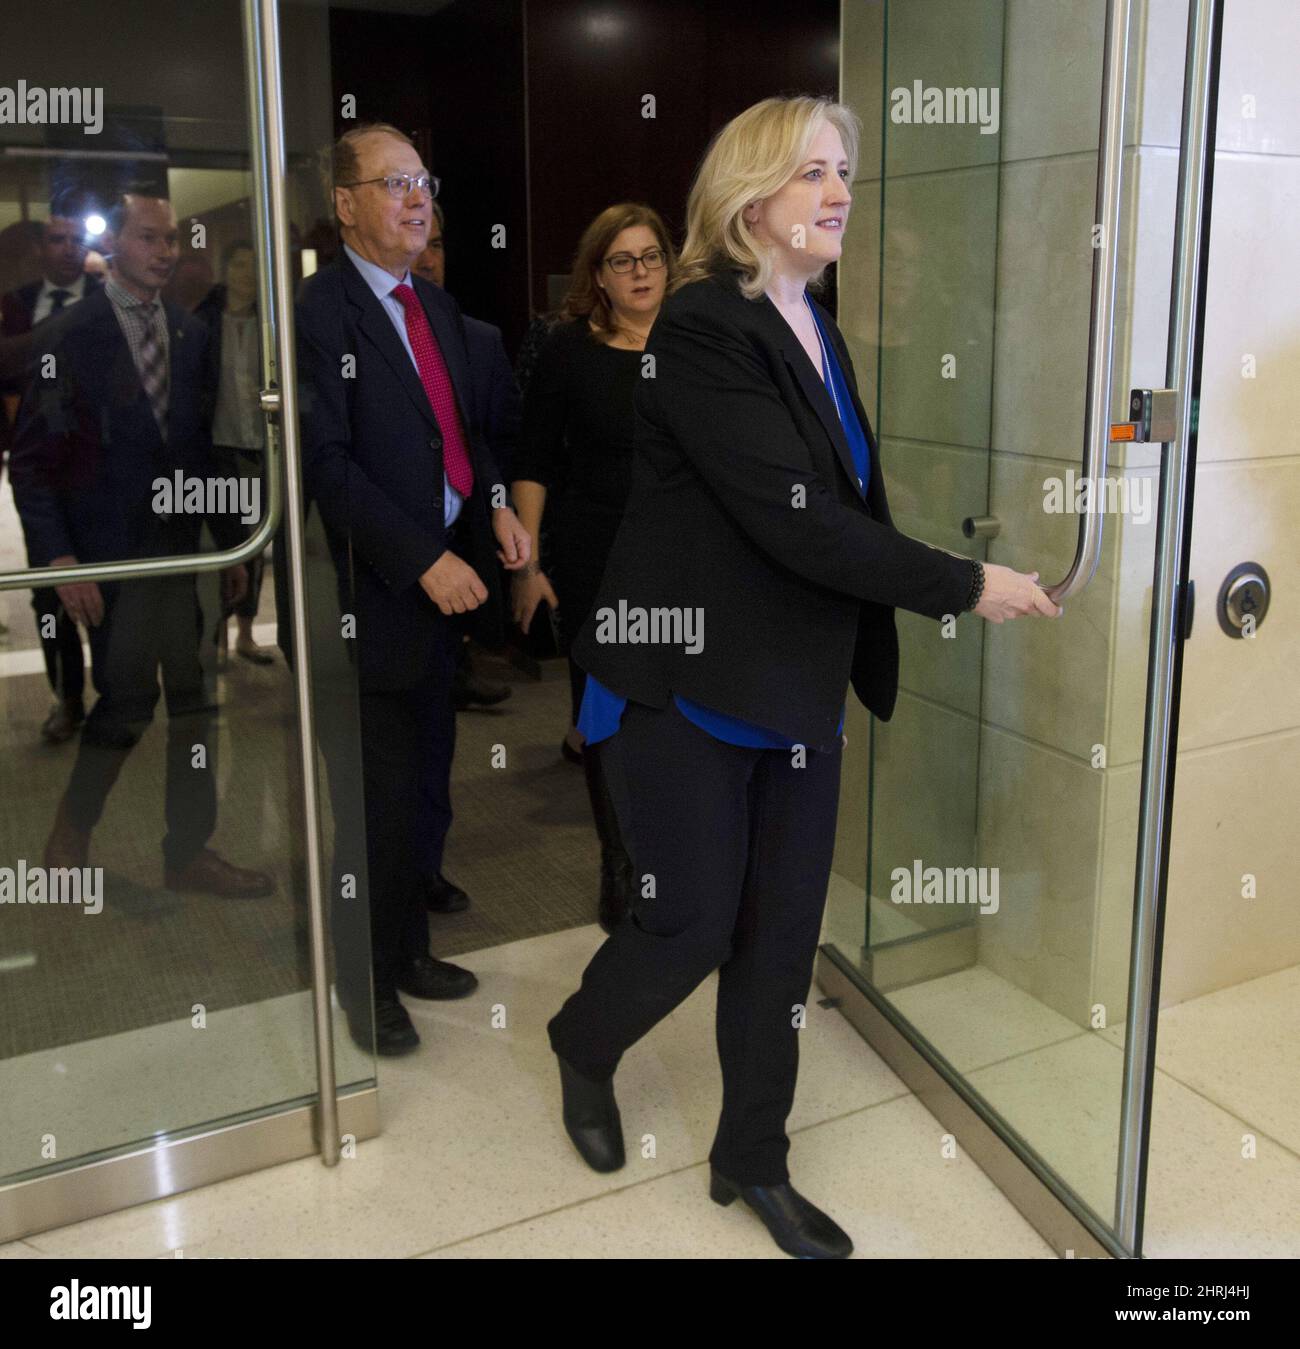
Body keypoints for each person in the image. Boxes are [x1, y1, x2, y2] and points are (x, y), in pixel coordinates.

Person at [545, 96, 1061, 1259]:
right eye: (812, 171)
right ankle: (582, 1041)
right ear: (748, 197)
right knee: (685, 927)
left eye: (844, 171)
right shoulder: (701, 325)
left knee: (779, 942)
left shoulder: (809, 321)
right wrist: (962, 583)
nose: (839, 191)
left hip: (791, 687)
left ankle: (752, 1158)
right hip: (684, 680)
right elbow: (802, 523)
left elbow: (832, 513)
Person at [296, 123, 531, 1055]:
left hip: (446, 590)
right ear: (345, 205)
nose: (417, 197)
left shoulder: (433, 307)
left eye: (422, 181)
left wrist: (500, 512)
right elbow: (330, 466)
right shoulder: (321, 313)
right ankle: (364, 981)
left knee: (425, 783)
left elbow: (465, 440)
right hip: (375, 590)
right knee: (376, 801)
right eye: (394, 183)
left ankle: (408, 951)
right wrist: (421, 557)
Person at [10, 189, 274, 899]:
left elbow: (202, 450)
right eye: (151, 238)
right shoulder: (69, 336)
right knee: (126, 704)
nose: (167, 251)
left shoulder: (190, 334)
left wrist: (231, 550)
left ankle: (188, 851)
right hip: (111, 558)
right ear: (117, 245)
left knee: (195, 706)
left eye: (172, 240)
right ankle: (71, 830)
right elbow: (33, 464)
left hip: (185, 556)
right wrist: (61, 560)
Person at [511, 203, 673, 931]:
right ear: (598, 277)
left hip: (686, 562)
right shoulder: (569, 351)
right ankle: (622, 868)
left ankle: (677, 863)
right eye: (622, 260)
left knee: (678, 721)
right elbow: (535, 461)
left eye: (650, 257)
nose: (639, 272)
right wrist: (530, 562)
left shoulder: (700, 342)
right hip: (597, 561)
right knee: (607, 722)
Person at [0, 204, 103, 740]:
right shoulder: (15, 305)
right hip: (37, 468)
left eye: (73, 240)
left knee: (107, 579)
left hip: (98, 470)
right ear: (42, 249)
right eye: (57, 240)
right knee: (50, 592)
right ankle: (66, 698)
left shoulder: (109, 299)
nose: (67, 249)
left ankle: (116, 693)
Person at [193, 239, 277, 669]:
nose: (246, 274)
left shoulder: (273, 324)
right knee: (223, 543)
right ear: (225, 272)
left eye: (253, 266)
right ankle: (216, 634)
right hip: (219, 450)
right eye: (239, 265)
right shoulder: (204, 324)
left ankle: (246, 633)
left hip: (262, 449)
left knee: (254, 542)